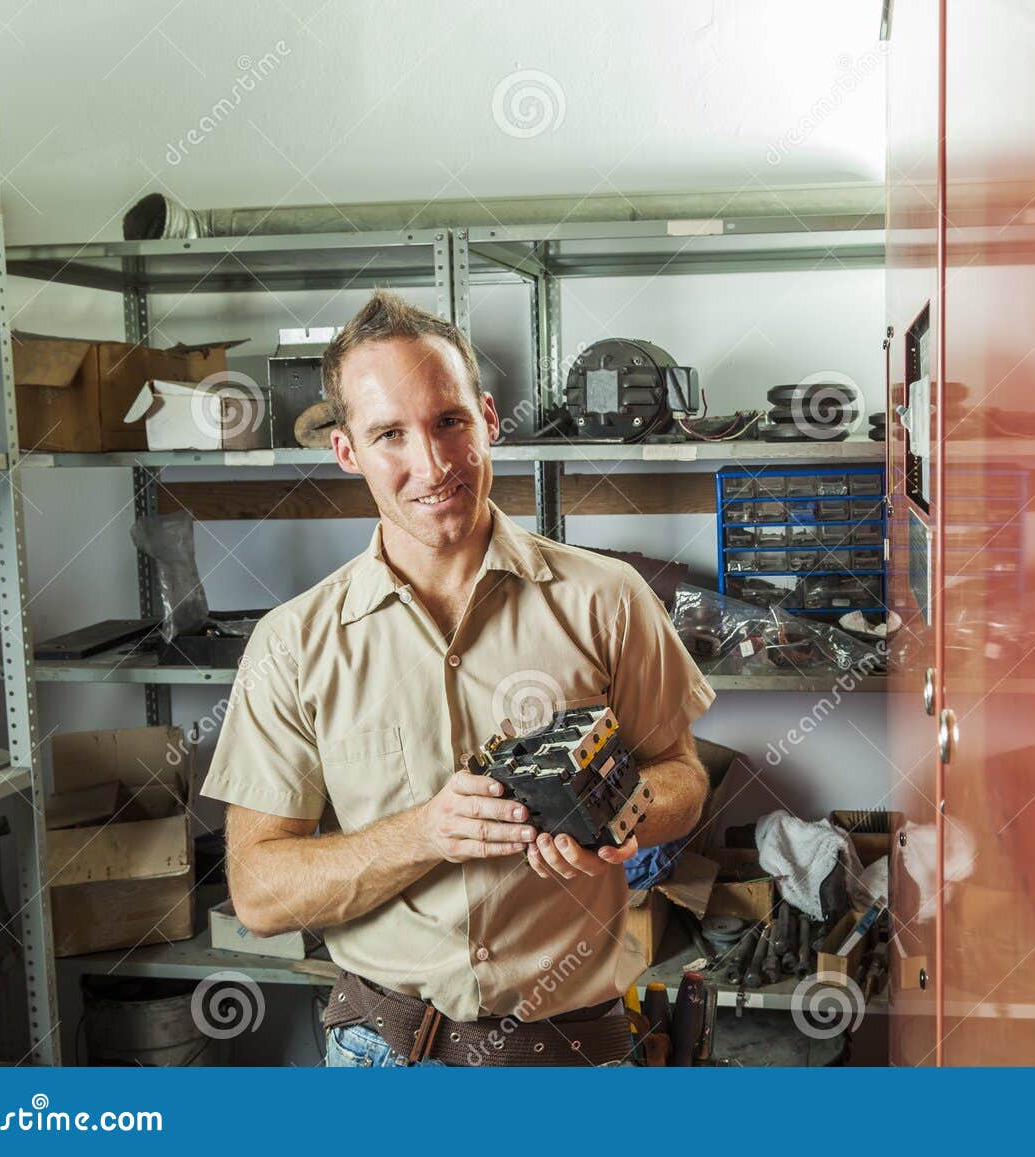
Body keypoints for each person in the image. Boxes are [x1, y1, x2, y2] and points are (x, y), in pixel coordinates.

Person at [200, 289, 713, 1067]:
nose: (432, 465)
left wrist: (620, 817)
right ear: (347, 452)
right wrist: (423, 833)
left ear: (488, 418)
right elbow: (261, 892)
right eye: (389, 435)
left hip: (572, 1058)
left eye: (450, 422)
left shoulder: (606, 599)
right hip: (382, 1057)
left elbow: (684, 777)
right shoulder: (292, 645)